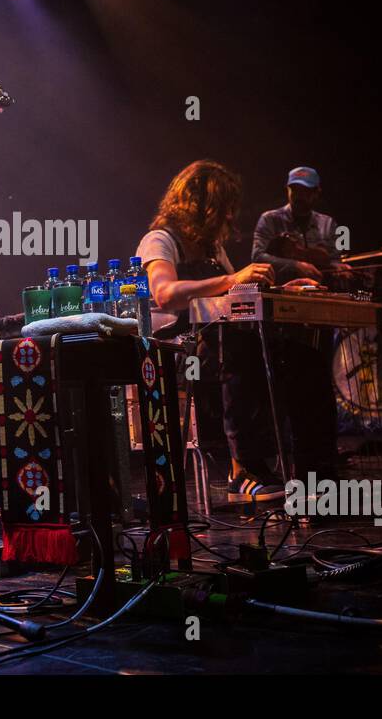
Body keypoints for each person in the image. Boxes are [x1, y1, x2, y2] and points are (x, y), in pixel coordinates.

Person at [136, 161, 320, 500]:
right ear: (202, 207)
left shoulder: (212, 249)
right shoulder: (160, 241)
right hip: (176, 352)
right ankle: (242, 469)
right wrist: (233, 278)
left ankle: (311, 467)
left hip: (220, 343)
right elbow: (164, 293)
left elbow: (238, 295)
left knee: (299, 353)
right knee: (238, 344)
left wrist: (283, 290)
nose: (230, 220)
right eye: (224, 210)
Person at [251, 166, 352, 284]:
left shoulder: (328, 223)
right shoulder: (269, 219)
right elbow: (257, 256)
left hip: (320, 292)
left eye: (305, 190)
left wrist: (339, 268)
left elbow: (335, 259)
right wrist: (295, 265)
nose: (299, 196)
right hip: (281, 291)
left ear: (316, 192)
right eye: (294, 190)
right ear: (287, 189)